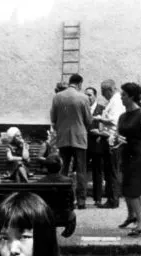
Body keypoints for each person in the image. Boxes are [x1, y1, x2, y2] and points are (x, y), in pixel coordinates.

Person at [117, 82, 141, 236]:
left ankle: (140, 223)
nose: (121, 97)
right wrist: (116, 140)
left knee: (132, 190)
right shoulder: (122, 116)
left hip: (139, 156)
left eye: (124, 95)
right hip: (126, 154)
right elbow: (121, 136)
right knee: (131, 190)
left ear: (131, 97)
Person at [50, 72, 92, 209]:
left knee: (63, 169)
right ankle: (81, 201)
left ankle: (63, 199)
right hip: (79, 137)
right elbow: (88, 120)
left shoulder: (57, 97)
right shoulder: (83, 98)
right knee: (81, 170)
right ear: (80, 84)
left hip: (63, 137)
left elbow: (53, 119)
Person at [94, 79, 125, 208]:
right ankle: (112, 198)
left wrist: (100, 118)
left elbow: (115, 121)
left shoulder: (116, 101)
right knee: (110, 170)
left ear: (110, 89)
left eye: (104, 92)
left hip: (113, 141)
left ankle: (113, 199)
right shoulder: (113, 101)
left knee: (112, 171)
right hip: (110, 139)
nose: (103, 95)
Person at [42, 155, 77, 237]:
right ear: (61, 167)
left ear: (46, 167)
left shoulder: (39, 182)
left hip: (44, 216)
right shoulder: (68, 181)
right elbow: (72, 200)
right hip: (64, 215)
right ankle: (66, 233)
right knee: (72, 214)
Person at [86, 86, 106, 207]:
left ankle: (98, 198)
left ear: (95, 96)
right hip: (84, 143)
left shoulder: (101, 109)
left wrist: (99, 134)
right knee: (81, 170)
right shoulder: (83, 109)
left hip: (97, 142)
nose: (87, 97)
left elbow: (104, 125)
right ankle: (81, 198)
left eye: (89, 95)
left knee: (97, 171)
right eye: (86, 95)